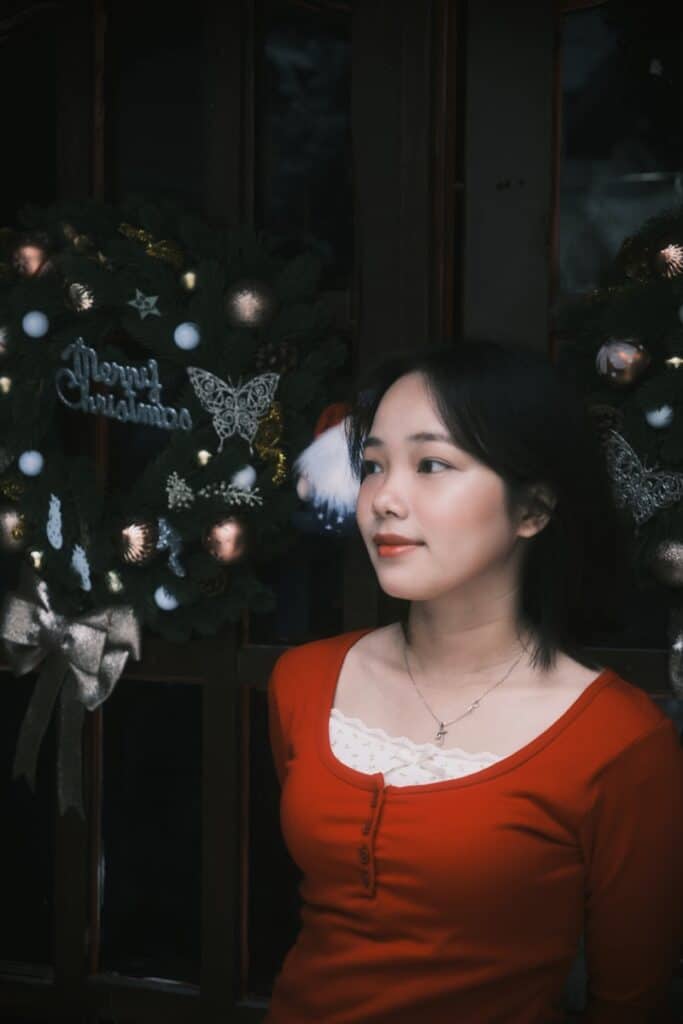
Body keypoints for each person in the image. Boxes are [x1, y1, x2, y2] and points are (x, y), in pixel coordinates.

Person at [265, 340, 683, 1024]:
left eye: (431, 464)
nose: (383, 499)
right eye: (372, 466)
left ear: (532, 510)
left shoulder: (619, 742)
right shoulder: (305, 679)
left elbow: (629, 1001)